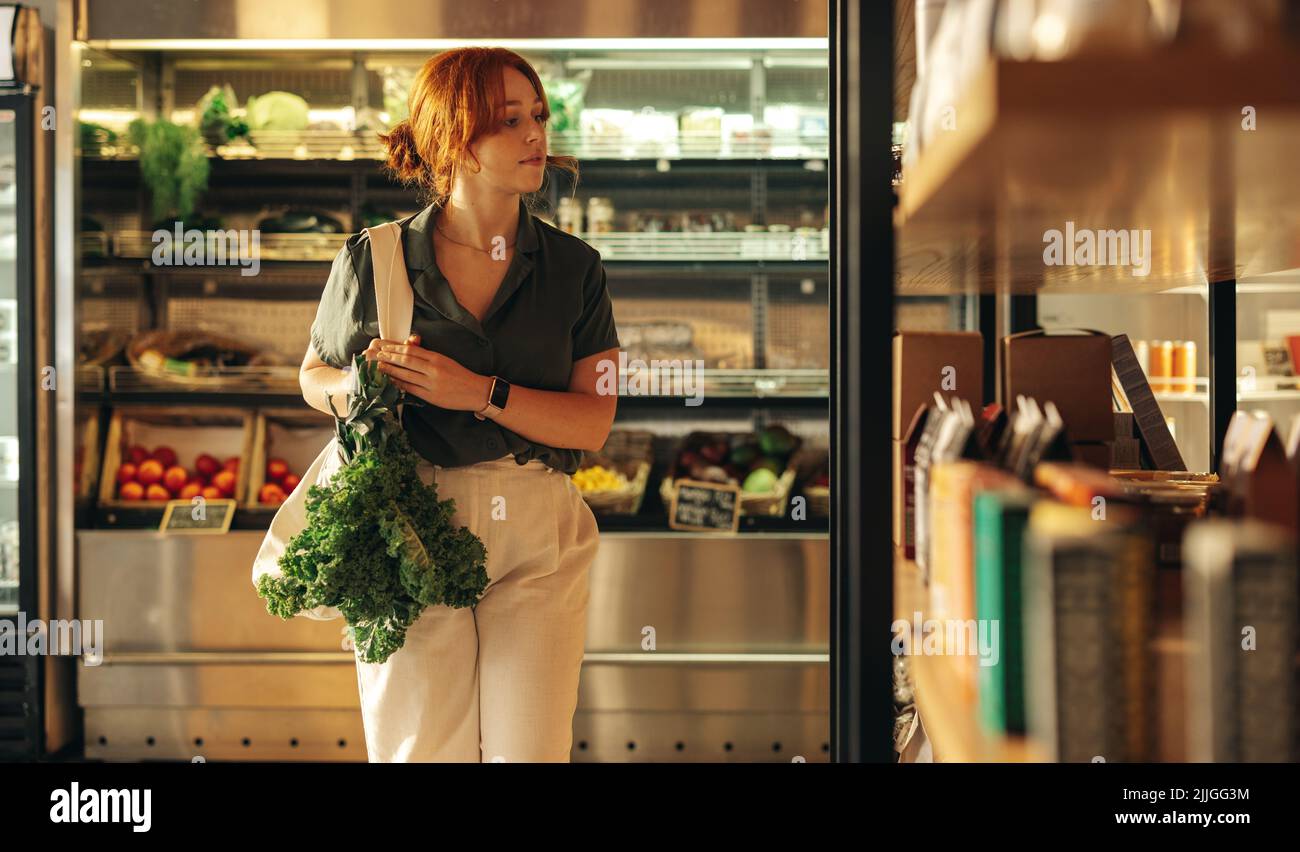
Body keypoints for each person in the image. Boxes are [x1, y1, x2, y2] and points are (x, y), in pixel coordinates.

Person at [299, 46, 621, 762]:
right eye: (510, 120)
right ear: (453, 138)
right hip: (408, 521)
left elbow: (593, 420)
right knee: (419, 749)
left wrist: (476, 393)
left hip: (535, 526)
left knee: (529, 751)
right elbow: (313, 374)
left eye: (538, 115)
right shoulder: (373, 258)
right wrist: (356, 389)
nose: (537, 134)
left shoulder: (575, 269)